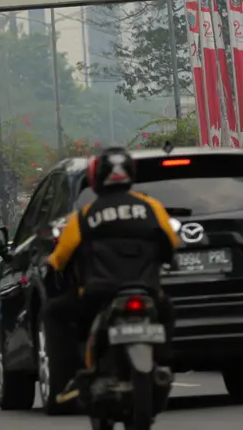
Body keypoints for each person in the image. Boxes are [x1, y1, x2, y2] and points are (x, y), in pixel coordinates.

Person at [43, 148, 179, 378]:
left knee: (53, 312)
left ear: (96, 177)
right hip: (148, 290)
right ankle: (164, 358)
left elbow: (59, 260)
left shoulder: (83, 217)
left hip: (98, 295)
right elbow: (171, 243)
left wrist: (55, 271)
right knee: (167, 311)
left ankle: (65, 380)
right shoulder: (151, 208)